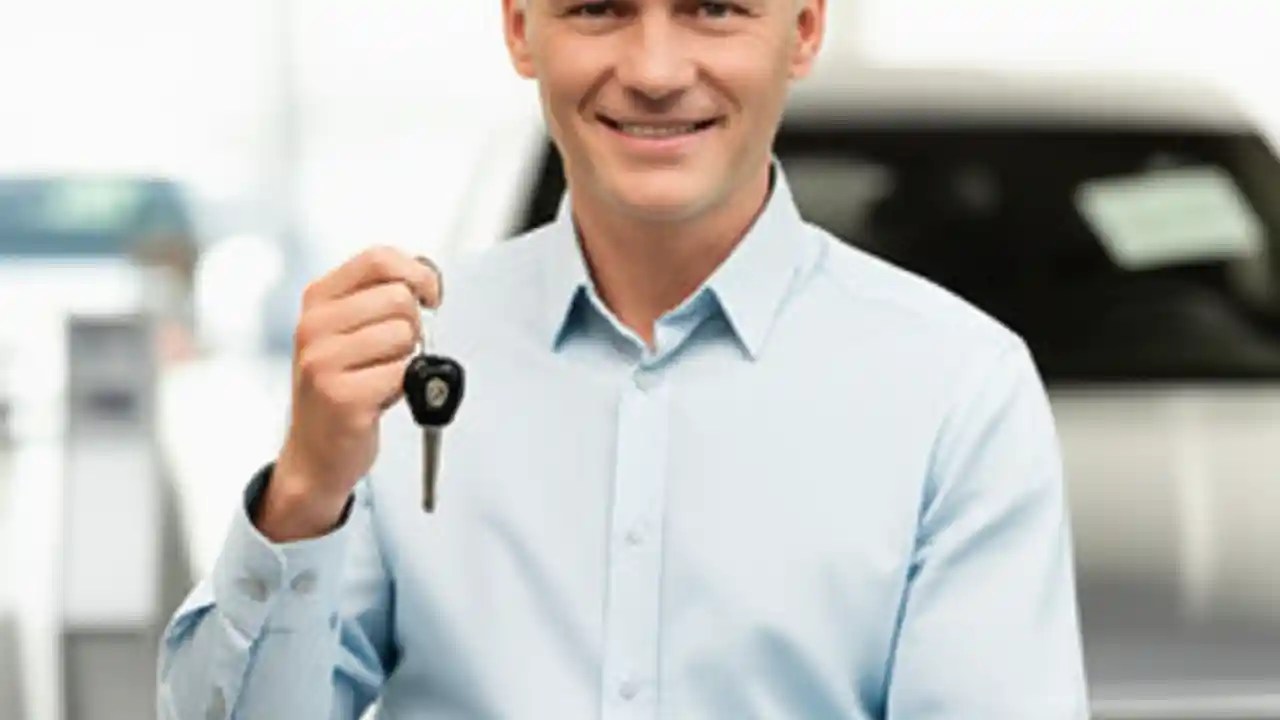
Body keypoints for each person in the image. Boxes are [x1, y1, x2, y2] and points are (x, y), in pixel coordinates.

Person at [158, 0, 1088, 717]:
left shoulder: (958, 389)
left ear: (803, 29)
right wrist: (304, 493)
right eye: (599, 8)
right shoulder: (404, 361)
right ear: (520, 29)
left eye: (713, 9)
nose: (653, 71)